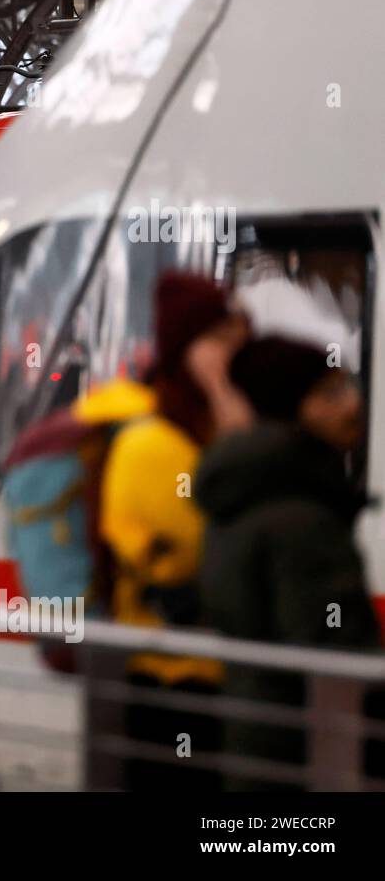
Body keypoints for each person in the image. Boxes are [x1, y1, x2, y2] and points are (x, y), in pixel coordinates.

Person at [197, 336, 380, 788]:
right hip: (309, 756)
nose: (354, 405)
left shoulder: (240, 495)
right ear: (289, 406)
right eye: (330, 394)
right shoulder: (302, 520)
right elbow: (335, 652)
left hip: (257, 742)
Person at [99, 271, 253, 789]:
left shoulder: (200, 429)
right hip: (167, 681)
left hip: (212, 676)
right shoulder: (153, 444)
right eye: (218, 342)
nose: (233, 358)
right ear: (187, 349)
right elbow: (224, 542)